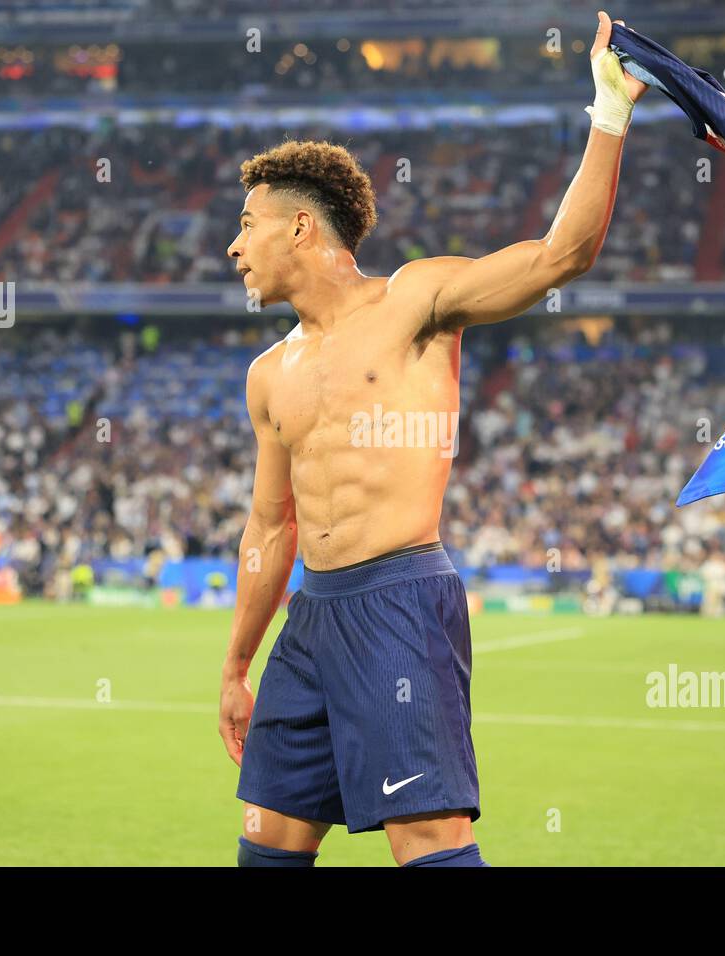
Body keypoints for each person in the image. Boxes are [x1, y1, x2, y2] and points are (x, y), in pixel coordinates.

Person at [217, 11, 647, 867]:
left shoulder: (415, 301)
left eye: (248, 223)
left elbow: (564, 255)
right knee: (267, 842)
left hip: (400, 602)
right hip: (310, 617)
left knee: (430, 844)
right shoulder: (270, 373)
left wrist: (609, 116)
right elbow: (270, 530)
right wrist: (237, 665)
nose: (234, 245)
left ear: (300, 228)